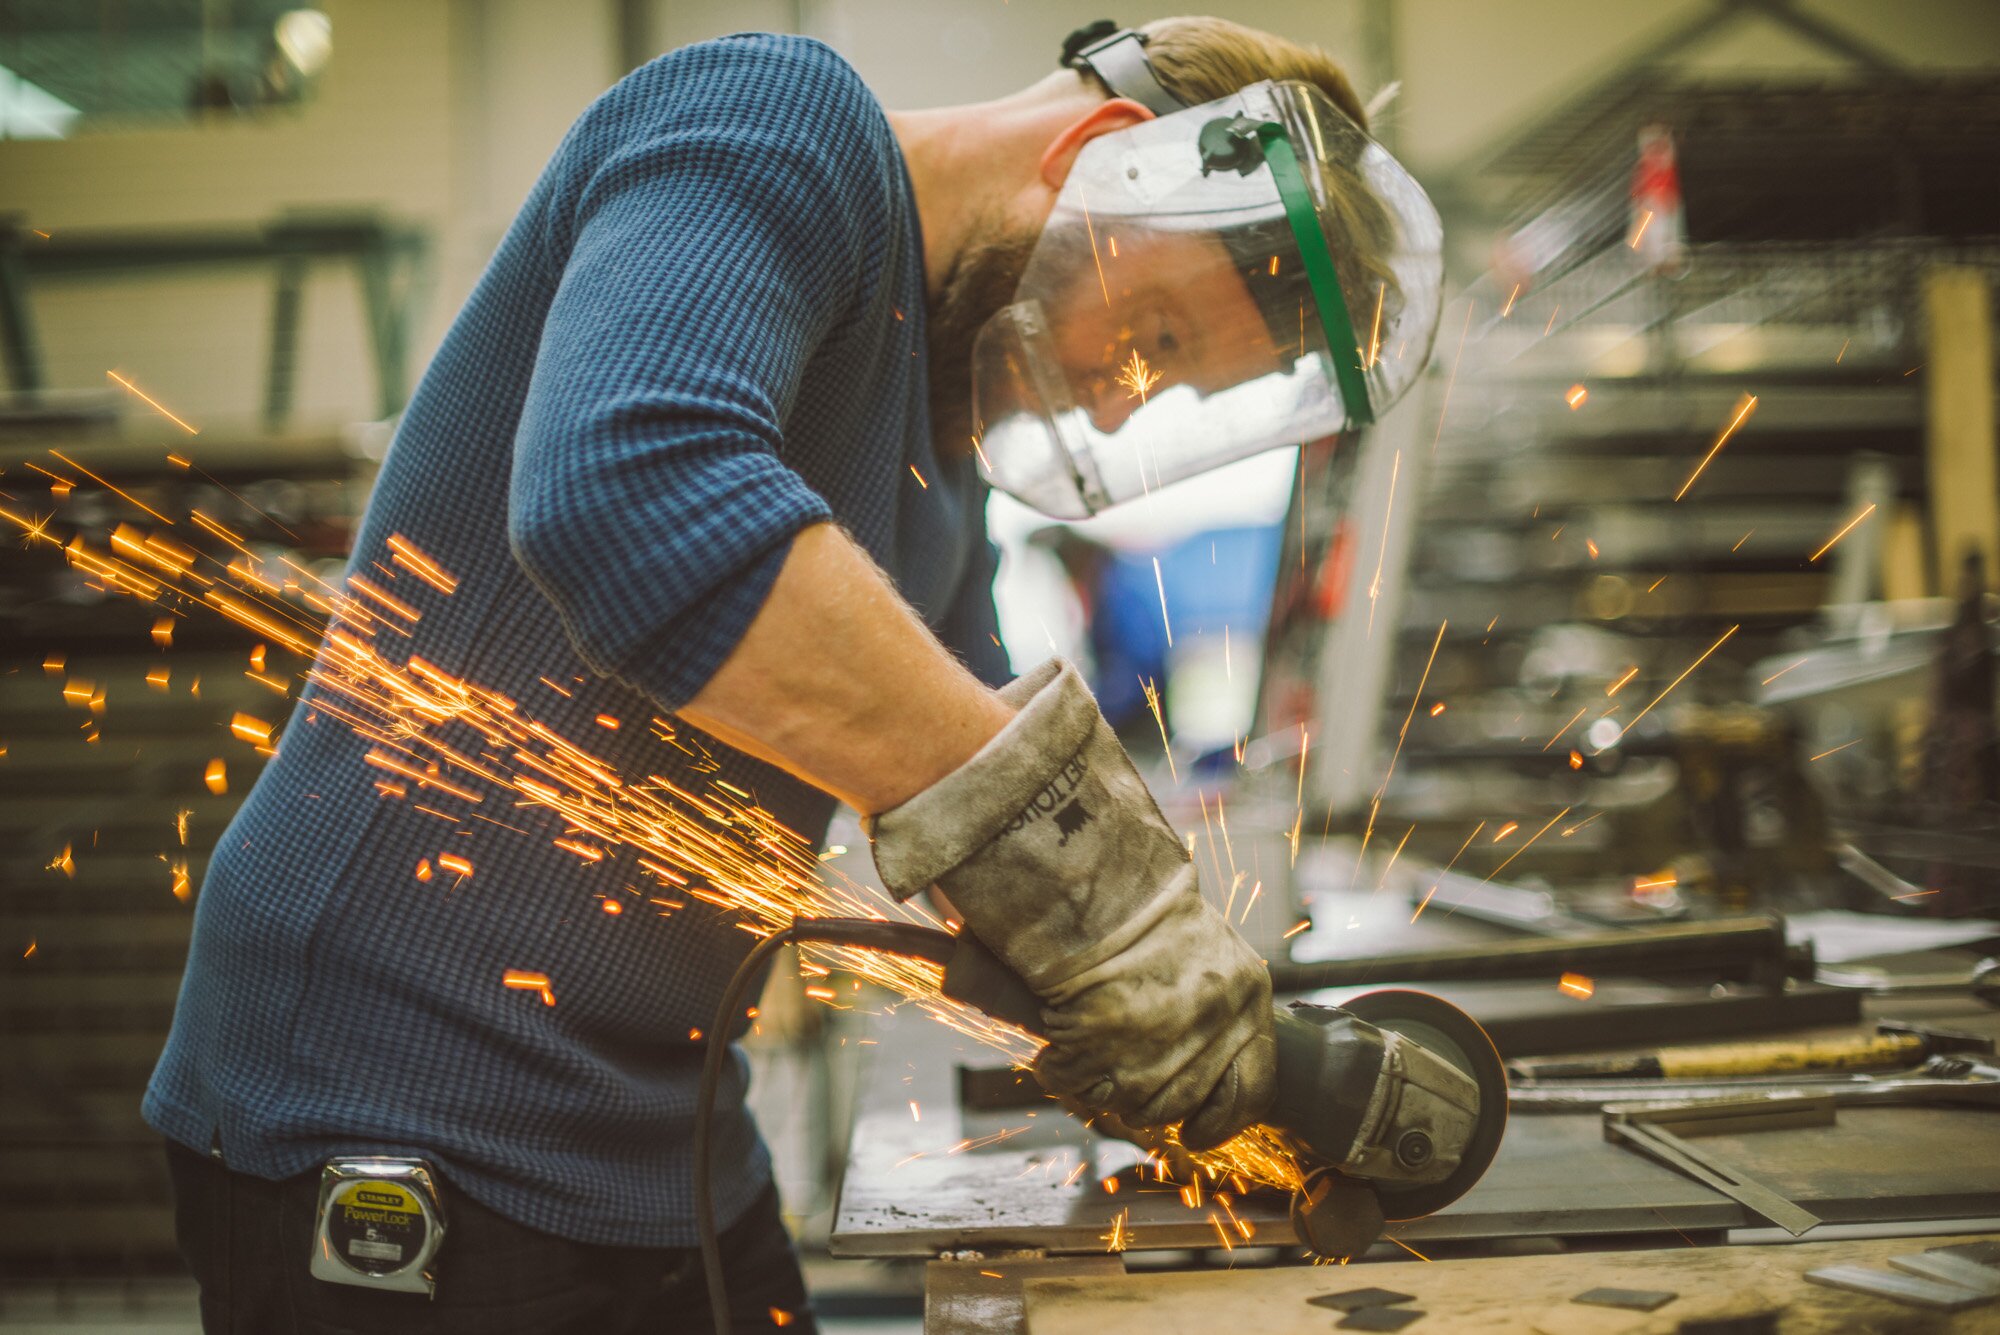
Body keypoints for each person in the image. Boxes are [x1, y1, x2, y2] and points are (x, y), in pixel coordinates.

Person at [146, 17, 1440, 1333]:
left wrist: (1216, 1046)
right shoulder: (777, 120)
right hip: (395, 1115)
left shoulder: (937, 462)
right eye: (1152, 336)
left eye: (1159, 396)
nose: (1114, 406)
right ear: (1109, 157)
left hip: (665, 1135)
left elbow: (984, 824)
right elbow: (632, 497)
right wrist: (1116, 918)